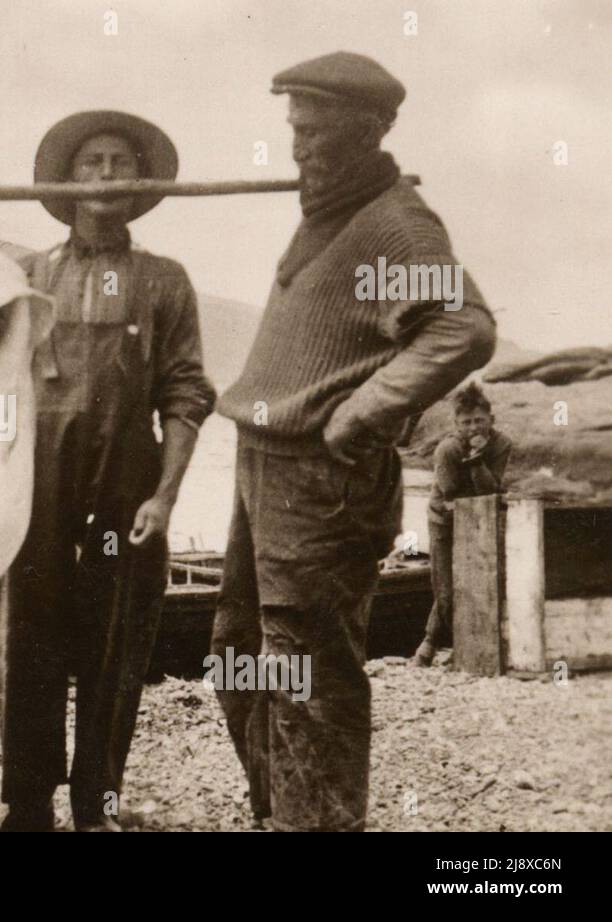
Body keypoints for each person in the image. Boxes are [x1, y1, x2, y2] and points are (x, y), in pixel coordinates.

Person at [211, 52, 497, 831]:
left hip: (315, 478)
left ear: (372, 131)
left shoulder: (394, 224)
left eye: (316, 132)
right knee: (238, 650)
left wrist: (362, 411)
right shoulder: (330, 212)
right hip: (261, 461)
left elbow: (462, 328)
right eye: (294, 129)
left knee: (307, 668)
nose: (299, 148)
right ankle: (285, 812)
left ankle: (320, 825)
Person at [0, 111, 216, 832]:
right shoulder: (28, 276)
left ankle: (98, 803)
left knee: (117, 641)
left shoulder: (163, 281)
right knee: (26, 636)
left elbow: (185, 395)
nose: (105, 174)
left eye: (120, 162)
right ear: (67, 181)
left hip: (127, 486)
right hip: (35, 486)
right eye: (90, 161)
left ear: (140, 182)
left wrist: (164, 494)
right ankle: (28, 804)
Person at [413, 383, 512, 665]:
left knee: (483, 583)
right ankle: (429, 646)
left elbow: (489, 489)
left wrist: (477, 460)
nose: (473, 428)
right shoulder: (446, 449)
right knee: (446, 590)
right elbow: (451, 494)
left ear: (491, 420)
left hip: (483, 520)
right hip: (445, 522)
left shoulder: (502, 444)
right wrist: (471, 461)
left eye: (479, 420)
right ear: (456, 424)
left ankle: (457, 648)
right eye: (466, 422)